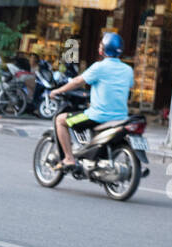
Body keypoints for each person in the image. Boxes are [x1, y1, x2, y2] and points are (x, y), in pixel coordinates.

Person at [49, 31, 134, 169]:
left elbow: (77, 81)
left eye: (101, 44)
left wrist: (58, 90)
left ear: (104, 48)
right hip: (121, 117)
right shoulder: (128, 70)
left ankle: (69, 158)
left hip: (98, 117)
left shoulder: (99, 67)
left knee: (60, 120)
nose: (99, 46)